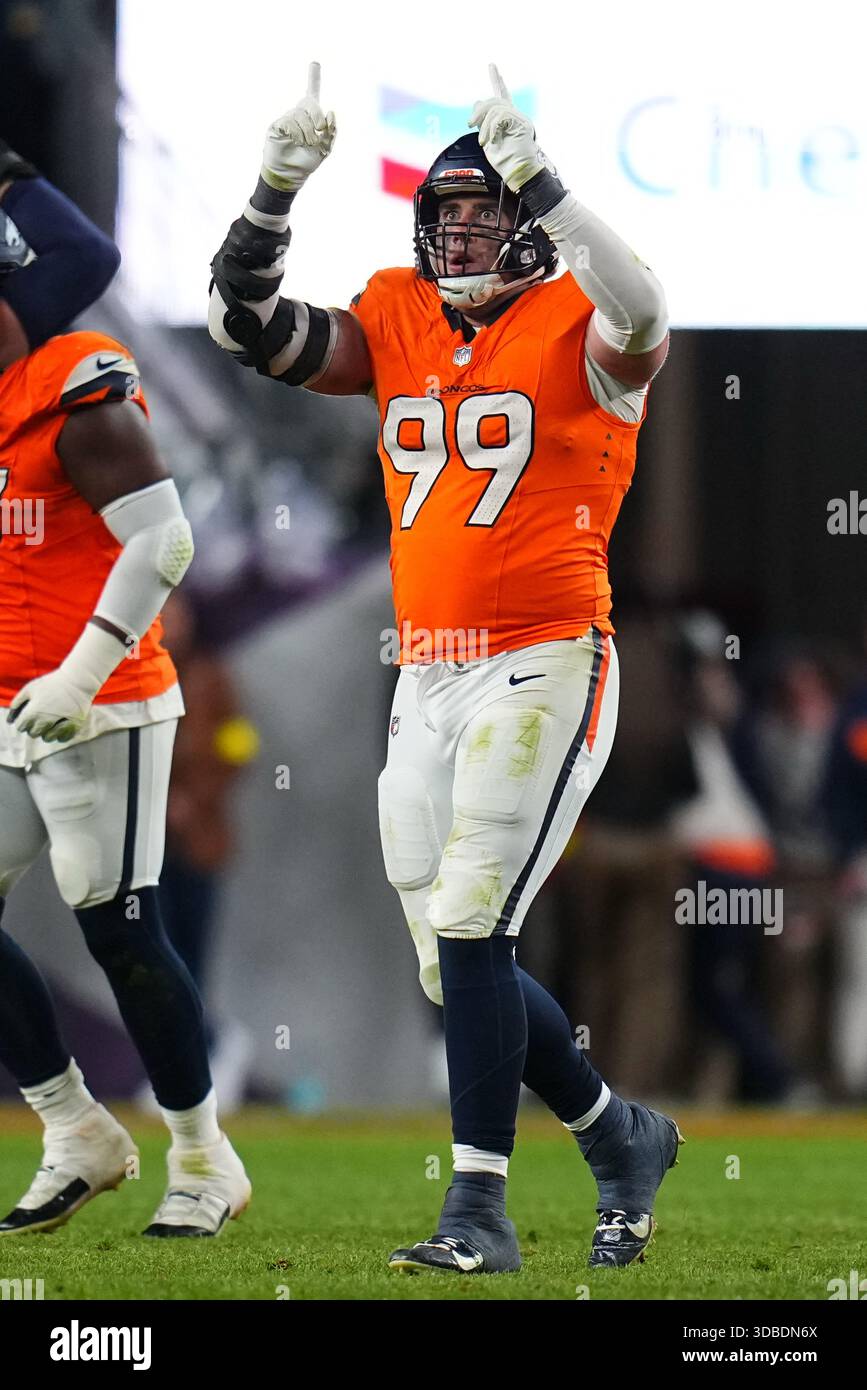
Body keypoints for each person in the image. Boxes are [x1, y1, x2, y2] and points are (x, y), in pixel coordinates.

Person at [208, 62, 679, 1271]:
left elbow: (644, 305)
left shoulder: (582, 316)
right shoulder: (399, 311)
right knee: (448, 953)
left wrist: (553, 188)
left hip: (546, 660)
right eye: (447, 218)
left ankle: (478, 1209)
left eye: (486, 215)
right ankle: (617, 1132)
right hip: (425, 675)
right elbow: (245, 327)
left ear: (528, 227)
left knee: (470, 922)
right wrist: (272, 190)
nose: (461, 234)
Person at [0, 142, 250, 1238]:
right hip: (11, 700)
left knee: (122, 930)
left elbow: (165, 544)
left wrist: (79, 671)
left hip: (103, 695)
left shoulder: (72, 382)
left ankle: (204, 1155)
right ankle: (75, 1127)